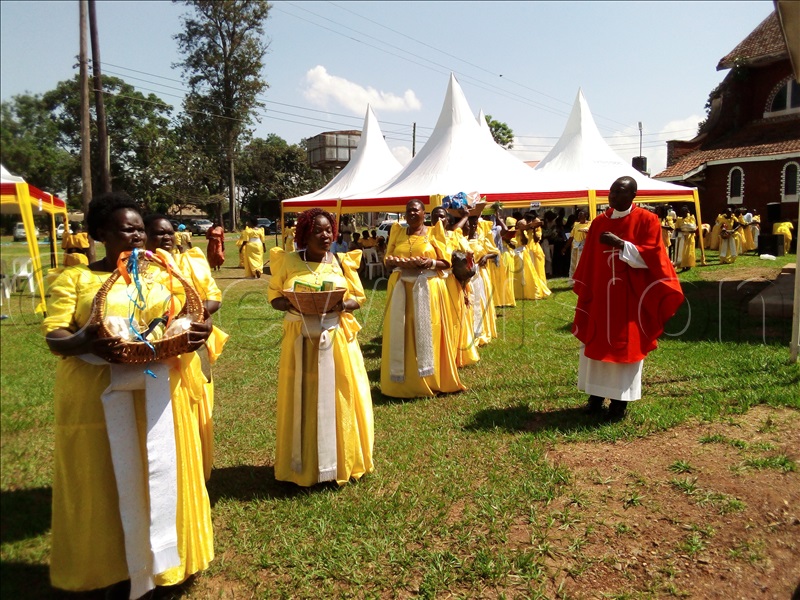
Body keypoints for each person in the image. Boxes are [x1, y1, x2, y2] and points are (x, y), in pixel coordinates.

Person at [43, 193, 214, 597]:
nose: (138, 235)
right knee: (104, 476)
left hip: (158, 392)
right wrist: (86, 339)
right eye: (128, 228)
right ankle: (111, 566)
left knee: (162, 470)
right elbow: (55, 335)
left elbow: (188, 315)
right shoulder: (76, 279)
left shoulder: (160, 276)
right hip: (97, 392)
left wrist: (196, 331)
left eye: (141, 228)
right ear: (101, 233)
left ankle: (168, 563)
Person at [268, 208, 373, 486]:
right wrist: (292, 302)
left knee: (339, 393)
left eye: (329, 230)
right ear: (304, 233)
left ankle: (340, 459)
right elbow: (274, 298)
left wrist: (342, 304)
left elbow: (357, 298)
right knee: (303, 394)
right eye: (318, 230)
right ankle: (303, 464)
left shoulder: (340, 261)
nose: (325, 235)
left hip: (335, 338)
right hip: (299, 337)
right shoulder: (288, 261)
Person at [572, 177, 684, 420]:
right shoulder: (600, 222)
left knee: (626, 347)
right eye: (611, 191)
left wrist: (621, 244)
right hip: (602, 295)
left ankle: (619, 401)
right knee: (597, 342)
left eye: (619, 192)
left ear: (633, 195)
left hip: (630, 297)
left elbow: (654, 257)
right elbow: (589, 260)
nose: (613, 195)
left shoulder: (647, 219)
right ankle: (595, 395)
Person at [145, 214, 229, 481]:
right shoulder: (140, 268)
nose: (167, 238)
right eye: (159, 233)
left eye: (170, 232)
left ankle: (198, 470)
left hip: (193, 341)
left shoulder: (189, 260)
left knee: (199, 404)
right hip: (160, 350)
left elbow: (213, 296)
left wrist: (193, 315)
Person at [381, 199, 466, 398]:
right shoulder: (397, 231)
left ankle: (430, 378)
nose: (411, 214)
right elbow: (388, 258)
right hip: (401, 287)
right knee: (402, 330)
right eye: (408, 211)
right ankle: (403, 379)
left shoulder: (434, 232)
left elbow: (446, 262)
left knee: (428, 330)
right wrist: (392, 260)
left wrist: (430, 262)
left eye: (415, 210)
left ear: (423, 213)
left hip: (427, 288)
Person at [431, 205, 480, 368]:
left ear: (447, 219)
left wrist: (465, 286)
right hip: (432, 283)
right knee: (436, 320)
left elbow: (465, 261)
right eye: (435, 216)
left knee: (454, 319)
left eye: (442, 216)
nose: (439, 219)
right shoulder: (427, 236)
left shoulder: (453, 236)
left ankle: (454, 354)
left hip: (451, 283)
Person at [563, 209, 590, 281]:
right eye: (579, 215)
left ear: (586, 216)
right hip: (575, 246)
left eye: (581, 214)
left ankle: (583, 279)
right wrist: (565, 248)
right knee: (574, 263)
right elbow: (571, 237)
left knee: (582, 263)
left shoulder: (590, 224)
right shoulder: (576, 224)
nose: (579, 216)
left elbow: (590, 232)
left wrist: (585, 231)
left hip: (584, 246)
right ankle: (573, 280)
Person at [673, 206, 697, 272]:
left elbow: (694, 229)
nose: (684, 214)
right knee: (682, 252)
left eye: (685, 212)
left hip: (689, 238)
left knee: (689, 252)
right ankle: (682, 265)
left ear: (687, 212)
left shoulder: (691, 218)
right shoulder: (679, 219)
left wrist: (687, 229)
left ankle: (688, 265)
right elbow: (676, 228)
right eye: (682, 212)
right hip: (682, 238)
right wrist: (682, 229)